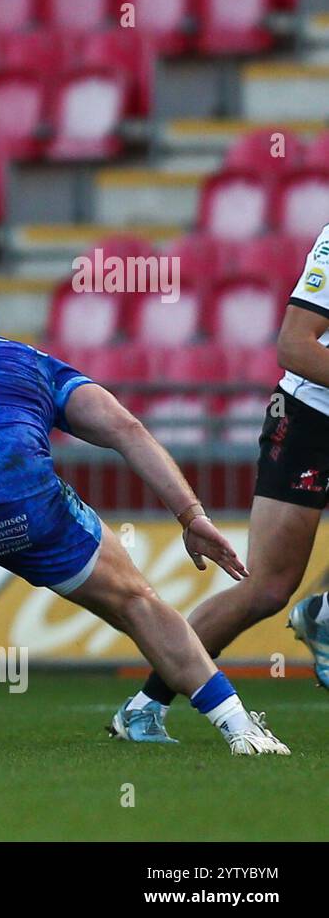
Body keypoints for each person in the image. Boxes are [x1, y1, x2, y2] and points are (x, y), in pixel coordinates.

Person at [0, 280, 288, 756]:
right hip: (28, 508)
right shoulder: (29, 360)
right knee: (136, 601)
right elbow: (125, 428)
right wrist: (191, 516)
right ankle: (239, 728)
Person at [111, 225, 329, 742]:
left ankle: (324, 613)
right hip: (310, 420)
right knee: (268, 587)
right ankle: (145, 705)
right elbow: (294, 345)